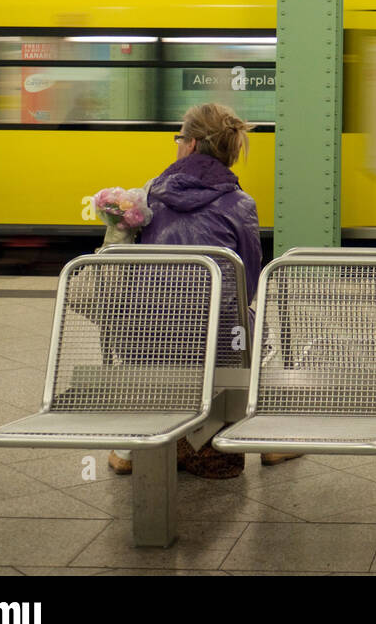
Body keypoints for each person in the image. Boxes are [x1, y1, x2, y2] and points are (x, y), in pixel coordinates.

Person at [107, 103, 290, 479]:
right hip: (220, 343)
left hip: (139, 340)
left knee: (150, 320)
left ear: (190, 145)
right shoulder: (241, 205)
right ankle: (272, 443)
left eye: (179, 139)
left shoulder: (146, 197)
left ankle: (126, 449)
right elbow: (247, 285)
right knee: (265, 334)